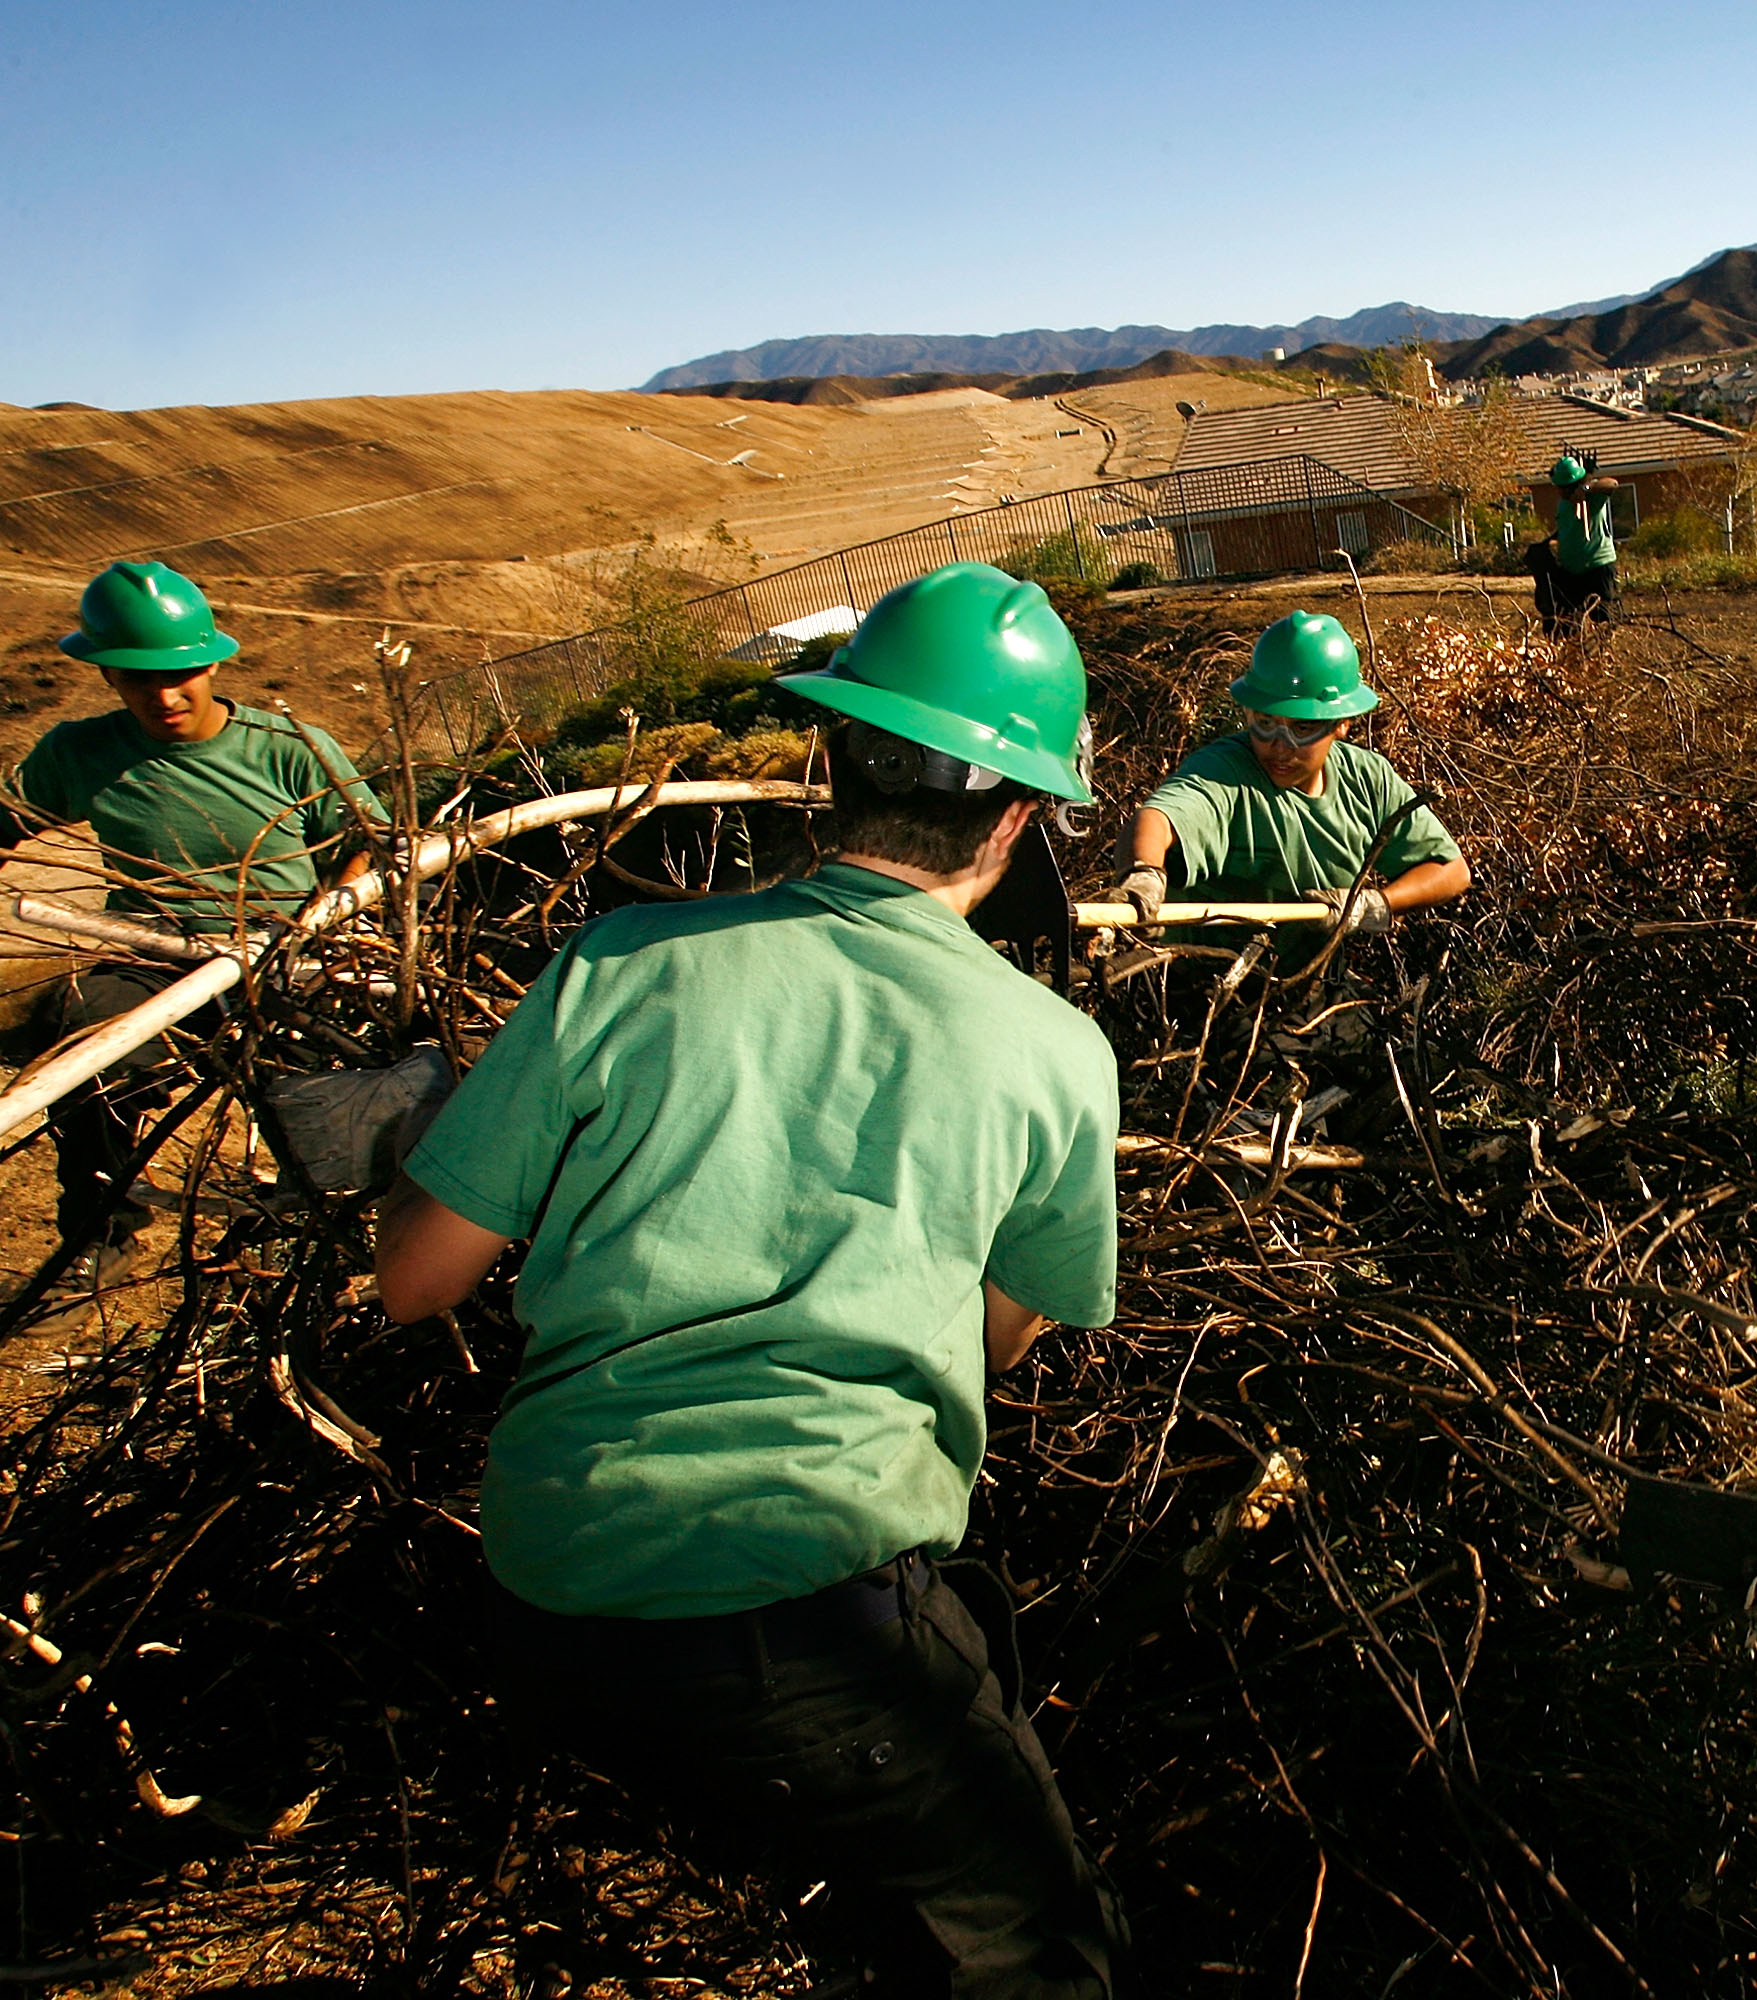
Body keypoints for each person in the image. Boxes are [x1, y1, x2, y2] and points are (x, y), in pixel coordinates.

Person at [373, 562, 1130, 1997]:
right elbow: (1000, 1339)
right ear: (1027, 814)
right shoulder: (1054, 1053)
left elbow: (416, 1279)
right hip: (802, 1616)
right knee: (1044, 1950)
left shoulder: (622, 961)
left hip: (553, 1593)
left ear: (824, 758)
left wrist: (424, 1137)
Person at [7, 561, 384, 1267]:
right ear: (106, 677)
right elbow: (7, 820)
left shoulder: (288, 750)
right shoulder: (80, 753)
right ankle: (101, 1238)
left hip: (281, 956)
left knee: (321, 1097)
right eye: (139, 678)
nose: (166, 694)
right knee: (83, 1054)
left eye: (181, 674)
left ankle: (316, 1230)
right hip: (151, 958)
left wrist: (321, 916)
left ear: (212, 663)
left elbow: (371, 839)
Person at [1115, 611, 1467, 937]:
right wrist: (1143, 874)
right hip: (1203, 986)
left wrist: (1374, 904)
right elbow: (1156, 819)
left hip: (1311, 986)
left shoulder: (1366, 779)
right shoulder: (1224, 772)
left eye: (1301, 729)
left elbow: (1450, 871)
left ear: (1341, 723)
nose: (1279, 747)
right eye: (1265, 723)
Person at [1531, 452, 1621, 633]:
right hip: (1573, 571)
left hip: (1598, 568)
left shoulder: (1591, 497)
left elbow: (1612, 483)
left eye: (1564, 488)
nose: (1560, 491)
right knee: (1567, 622)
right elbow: (1568, 529)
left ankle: (1603, 655)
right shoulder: (1564, 503)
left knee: (1603, 619)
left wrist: (1587, 489)